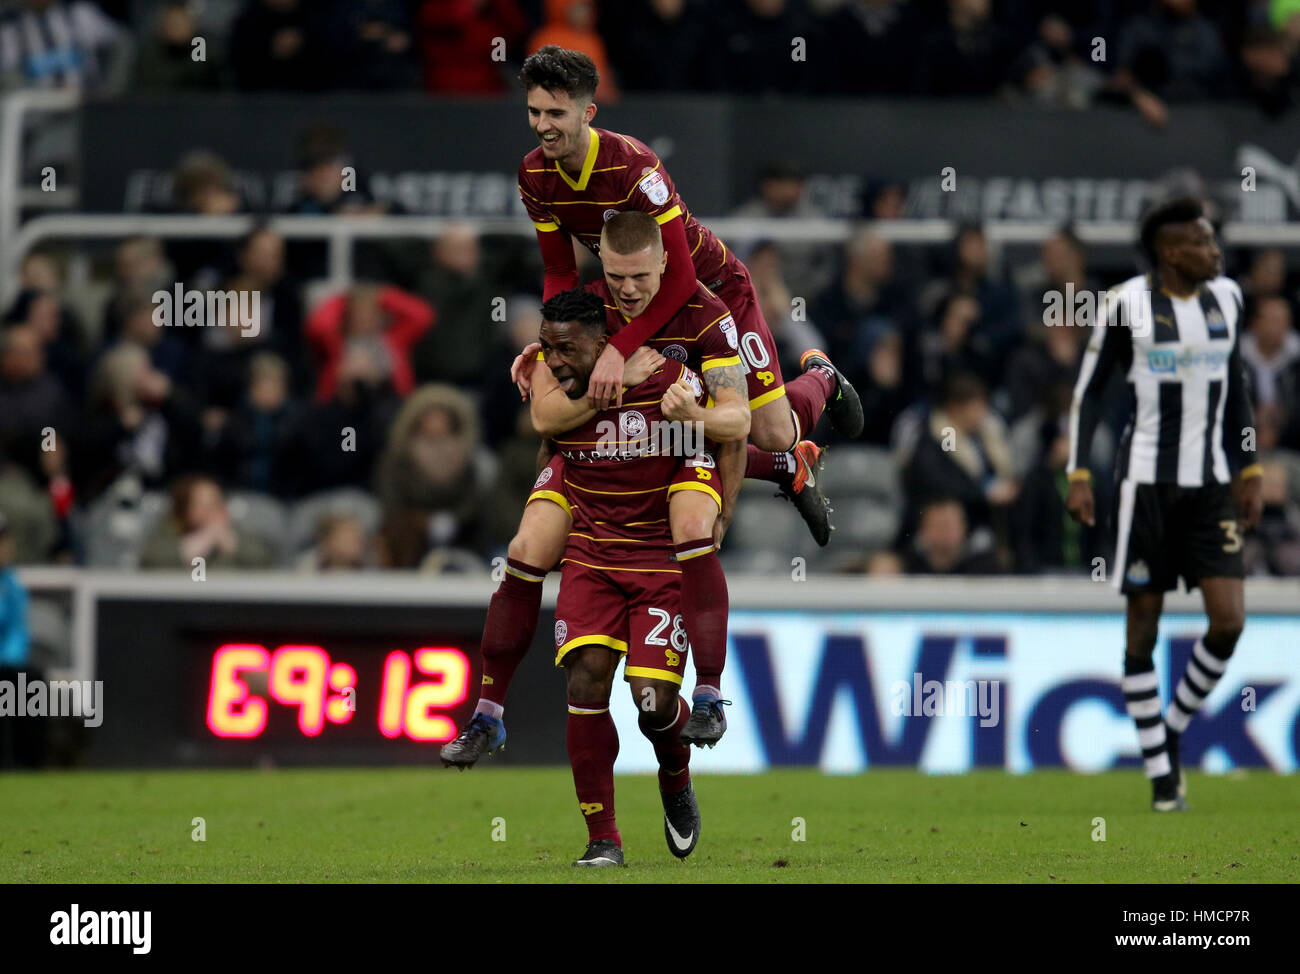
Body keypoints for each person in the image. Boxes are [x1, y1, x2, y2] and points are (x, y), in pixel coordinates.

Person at [440, 216, 755, 766]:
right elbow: (544, 416)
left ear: (664, 263)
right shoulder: (584, 310)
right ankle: (487, 714)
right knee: (523, 550)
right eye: (615, 276)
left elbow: (737, 421)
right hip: (590, 456)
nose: (627, 289)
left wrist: (697, 416)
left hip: (673, 447)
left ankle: (708, 693)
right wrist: (604, 379)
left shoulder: (706, 315)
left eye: (639, 276)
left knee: (708, 510)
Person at [510, 47, 861, 488]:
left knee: (772, 433)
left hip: (712, 290)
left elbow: (681, 278)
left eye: (556, 113)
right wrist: (551, 344)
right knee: (646, 427)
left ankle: (823, 377)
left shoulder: (634, 167)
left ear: (588, 113)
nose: (542, 125)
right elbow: (561, 273)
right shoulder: (533, 175)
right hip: (640, 296)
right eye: (534, 112)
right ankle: (788, 469)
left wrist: (618, 350)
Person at [481, 287, 717, 865]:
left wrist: (724, 504)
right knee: (586, 680)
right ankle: (602, 838)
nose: (553, 359)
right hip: (591, 556)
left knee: (653, 702)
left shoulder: (669, 382)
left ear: (603, 343)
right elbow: (544, 427)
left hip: (659, 561)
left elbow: (728, 439)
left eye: (565, 348)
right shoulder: (553, 384)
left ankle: (674, 776)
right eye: (546, 347)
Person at [1066, 196, 1262, 812]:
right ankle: (1161, 778)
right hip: (1144, 486)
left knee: (1228, 622)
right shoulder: (1124, 304)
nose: (1216, 252)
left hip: (1210, 486)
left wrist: (1249, 463)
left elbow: (1237, 389)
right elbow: (1088, 394)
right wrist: (1077, 472)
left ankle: (1169, 729)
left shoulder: (1227, 298)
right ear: (1171, 252)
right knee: (1142, 632)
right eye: (1204, 243)